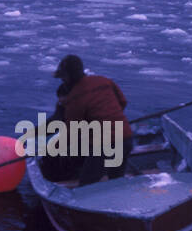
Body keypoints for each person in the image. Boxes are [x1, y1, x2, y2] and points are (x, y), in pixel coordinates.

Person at [52, 54, 133, 186]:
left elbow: (72, 132)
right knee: (117, 182)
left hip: (103, 146)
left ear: (68, 77)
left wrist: (53, 148)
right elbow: (122, 102)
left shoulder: (74, 98)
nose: (62, 80)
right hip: (126, 137)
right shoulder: (104, 81)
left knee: (86, 187)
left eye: (63, 77)